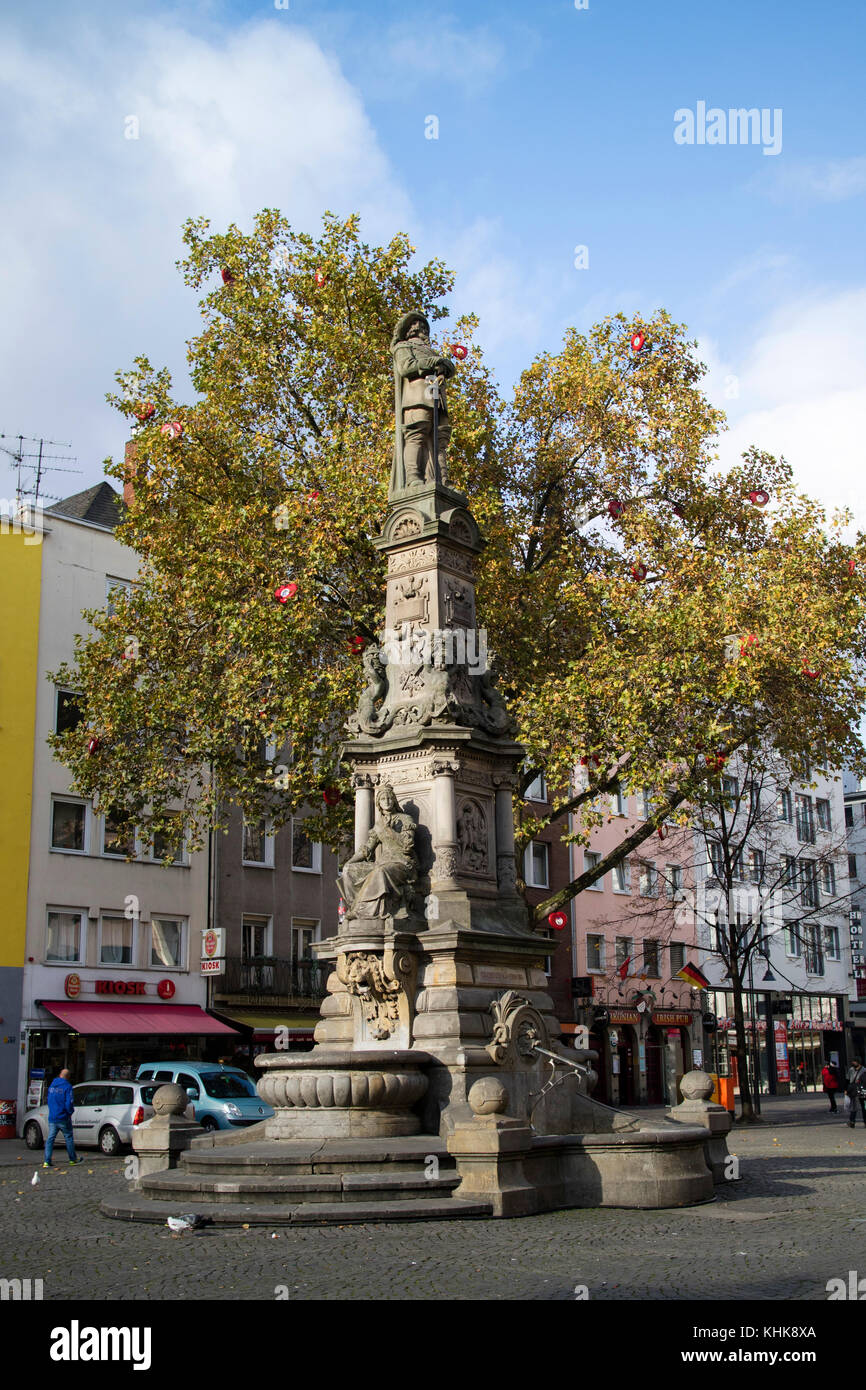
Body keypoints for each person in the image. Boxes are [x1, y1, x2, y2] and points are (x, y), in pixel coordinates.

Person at [43, 1068, 81, 1167]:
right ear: (68, 1077)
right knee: (68, 1137)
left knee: (50, 1139)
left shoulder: (52, 1086)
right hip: (63, 1116)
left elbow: (49, 1100)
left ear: (60, 1074)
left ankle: (47, 1161)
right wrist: (69, 1112)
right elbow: (69, 1102)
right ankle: (72, 1159)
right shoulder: (67, 1087)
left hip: (53, 1116)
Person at [846, 1060, 866, 1129]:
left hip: (862, 1090)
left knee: (864, 1107)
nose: (853, 1063)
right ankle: (852, 1121)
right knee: (854, 1106)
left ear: (859, 1062)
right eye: (853, 1061)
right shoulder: (851, 1070)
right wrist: (846, 1089)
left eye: (855, 1061)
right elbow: (847, 1080)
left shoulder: (864, 1070)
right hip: (853, 1090)